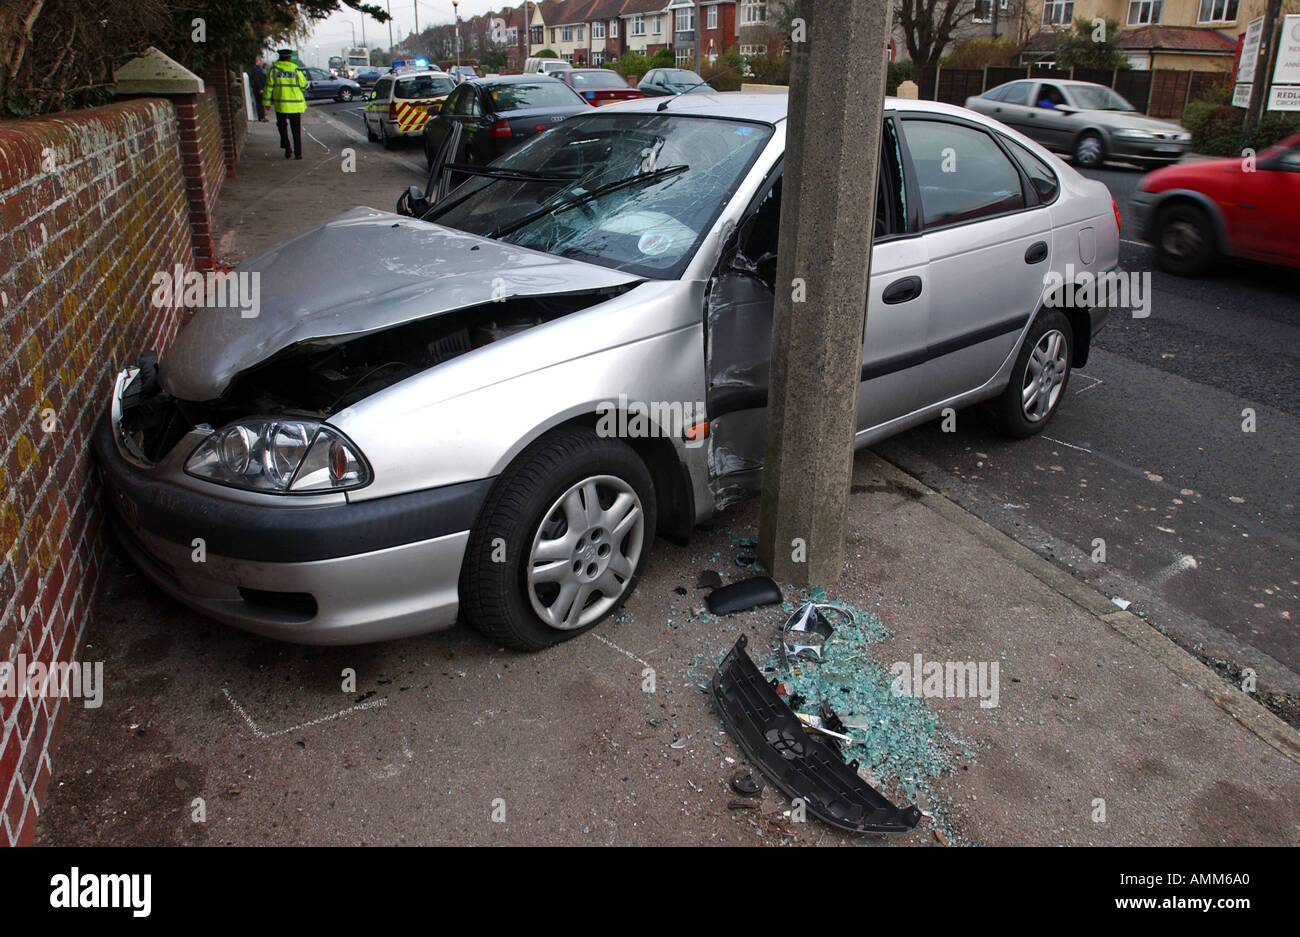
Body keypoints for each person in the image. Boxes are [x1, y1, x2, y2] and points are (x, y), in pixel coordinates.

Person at [262, 48, 308, 159]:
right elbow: (304, 85)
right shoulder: (296, 70)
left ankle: (287, 148)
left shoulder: (274, 71)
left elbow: (268, 88)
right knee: (296, 130)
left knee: (282, 127)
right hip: (295, 105)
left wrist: (266, 103)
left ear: (280, 58)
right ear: (289, 58)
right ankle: (298, 154)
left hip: (281, 105)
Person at [250, 56, 268, 122]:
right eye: (261, 61)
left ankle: (262, 116)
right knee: (260, 103)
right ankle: (261, 117)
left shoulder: (255, 68)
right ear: (258, 61)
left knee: (260, 103)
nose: (262, 62)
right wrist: (260, 88)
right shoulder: (257, 69)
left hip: (257, 88)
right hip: (258, 89)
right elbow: (257, 79)